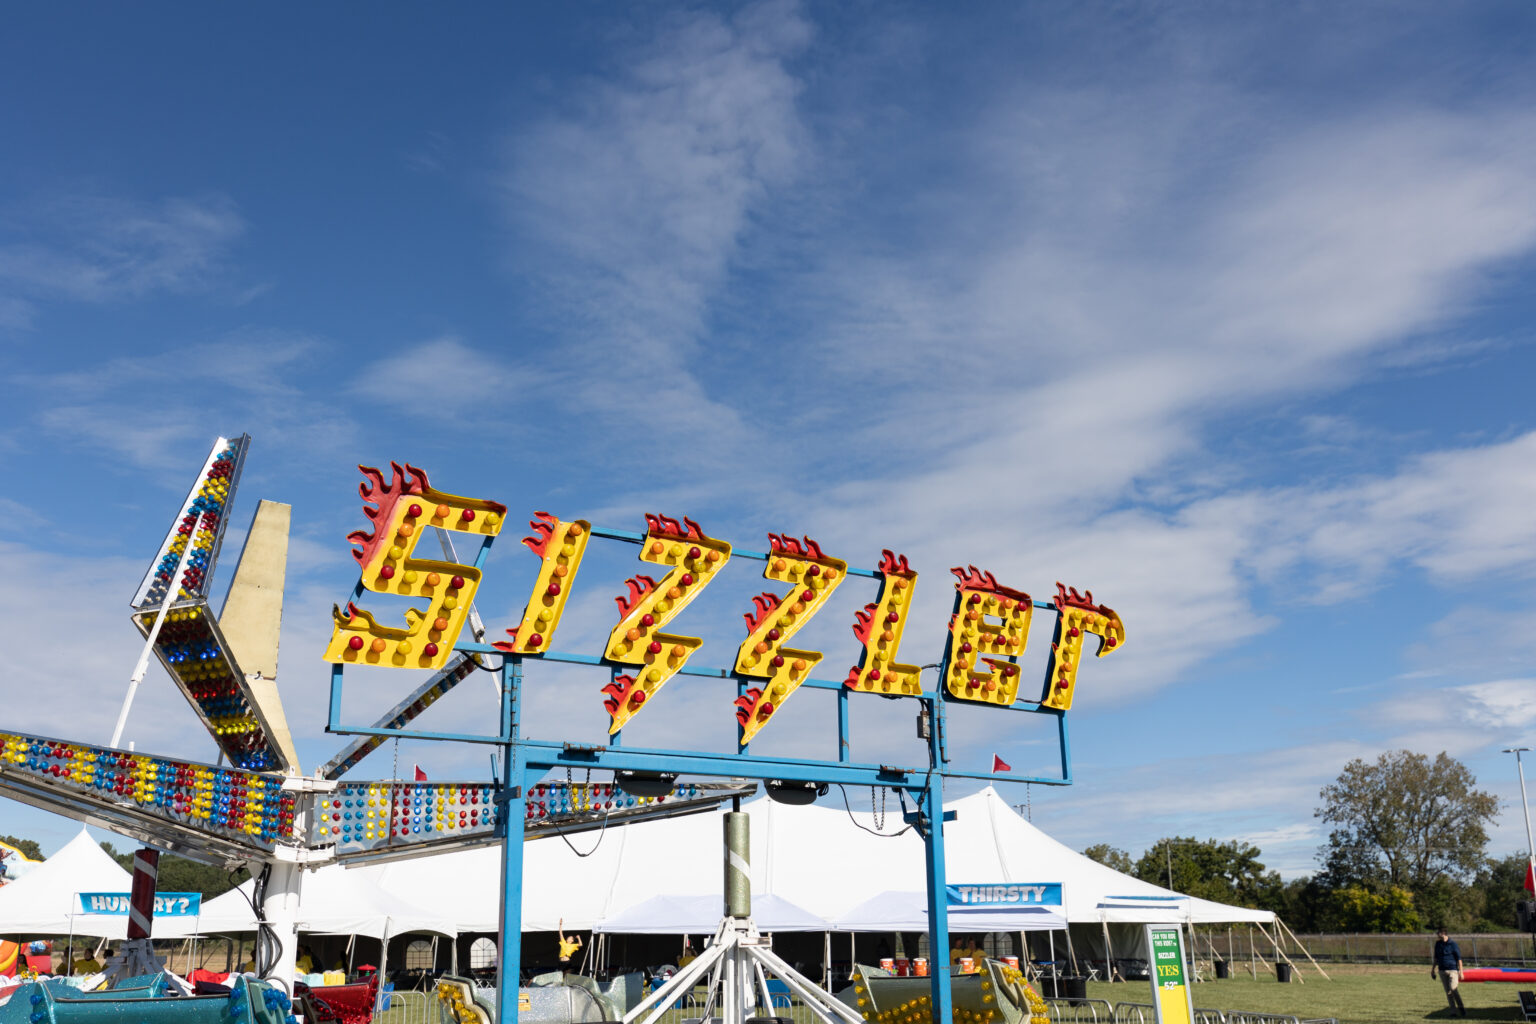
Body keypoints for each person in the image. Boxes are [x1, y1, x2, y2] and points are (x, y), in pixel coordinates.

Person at [1431, 927, 1466, 1017]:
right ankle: (1453, 1012)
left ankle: (1461, 1007)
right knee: (1448, 992)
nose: (1437, 934)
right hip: (1442, 970)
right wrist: (1433, 970)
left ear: (1443, 933)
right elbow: (1436, 958)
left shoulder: (1453, 944)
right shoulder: (1438, 944)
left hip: (1453, 970)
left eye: (1438, 932)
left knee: (1453, 988)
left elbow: (1459, 959)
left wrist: (1461, 972)